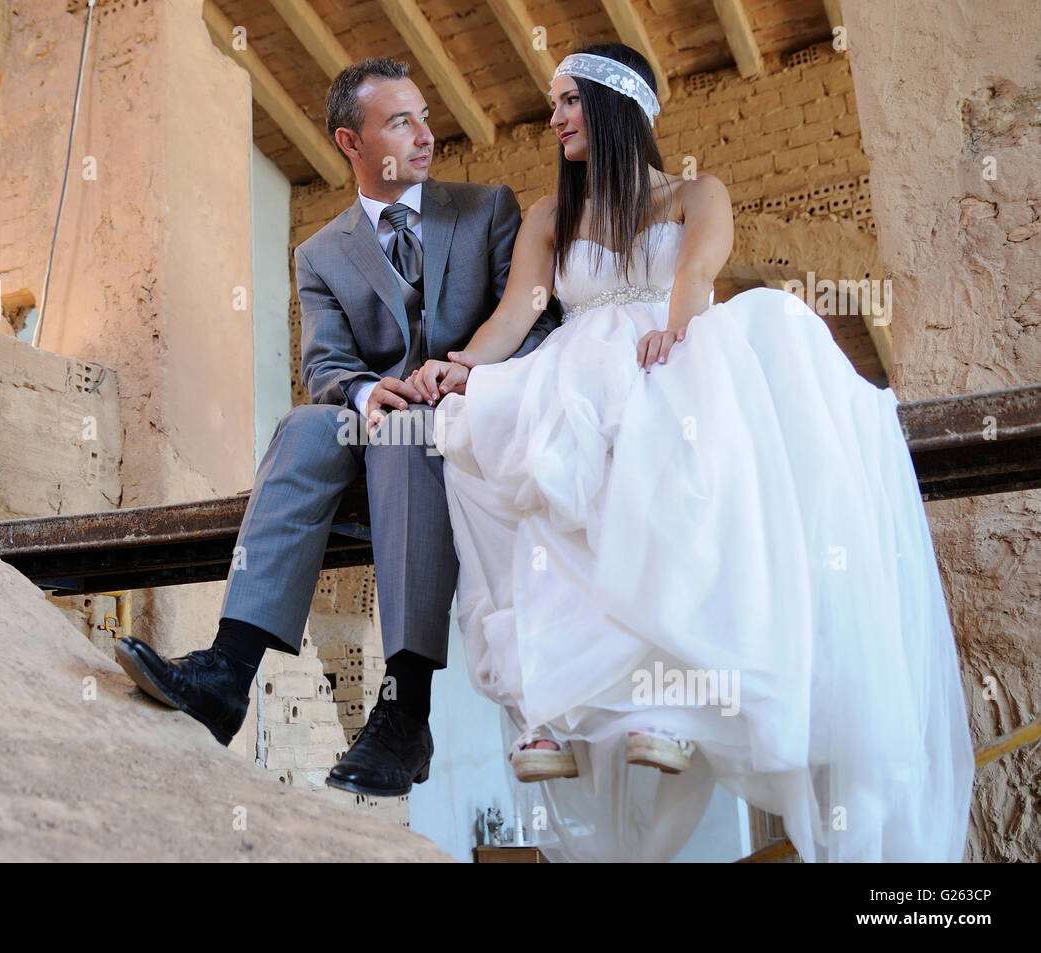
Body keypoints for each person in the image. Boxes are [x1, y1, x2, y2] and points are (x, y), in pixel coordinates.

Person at [410, 43, 975, 862]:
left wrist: (675, 329)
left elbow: (700, 267)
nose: (557, 118)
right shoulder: (547, 216)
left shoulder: (693, 193)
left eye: (570, 102)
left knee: (690, 419)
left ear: (613, 109)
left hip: (660, 348)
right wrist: (460, 365)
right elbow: (516, 313)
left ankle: (668, 699)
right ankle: (553, 703)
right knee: (477, 430)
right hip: (573, 368)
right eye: (555, 103)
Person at [113, 58, 561, 798]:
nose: (426, 134)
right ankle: (229, 670)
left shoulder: (486, 209)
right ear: (351, 142)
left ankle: (406, 708)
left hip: (471, 410)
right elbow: (326, 365)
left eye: (423, 115)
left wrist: (463, 375)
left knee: (407, 435)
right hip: (377, 426)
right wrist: (364, 392)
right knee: (305, 425)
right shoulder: (318, 254)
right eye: (400, 122)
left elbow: (536, 322)